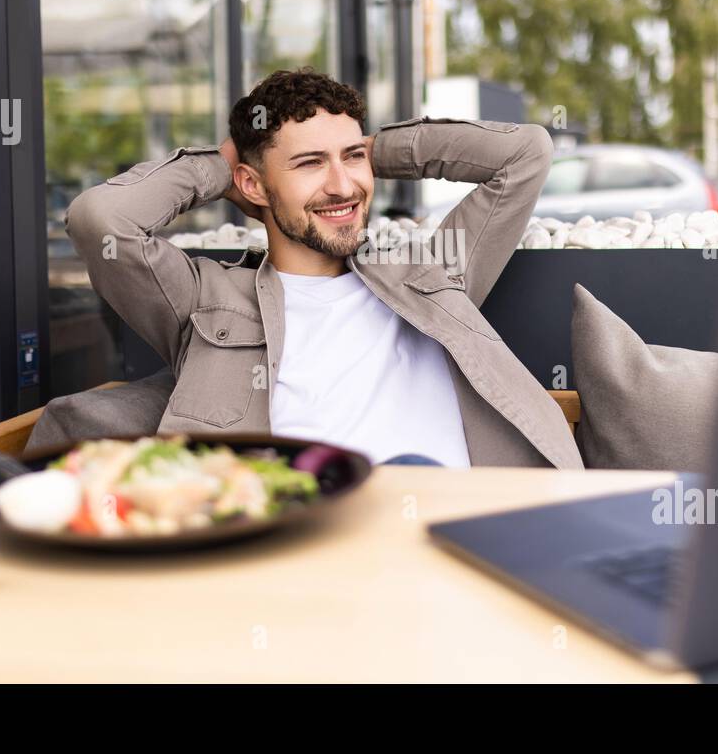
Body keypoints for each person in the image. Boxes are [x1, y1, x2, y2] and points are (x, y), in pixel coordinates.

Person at [66, 68, 583, 470]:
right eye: (310, 163)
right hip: (308, 552)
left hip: (464, 532)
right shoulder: (204, 300)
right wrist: (221, 166)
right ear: (252, 185)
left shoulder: (429, 273)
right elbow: (101, 219)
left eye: (351, 157)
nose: (342, 186)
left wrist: (371, 152)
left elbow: (524, 152)